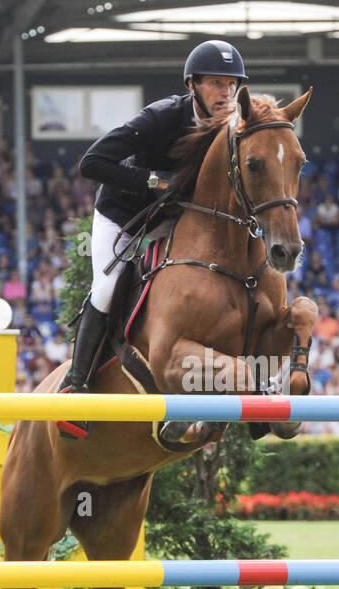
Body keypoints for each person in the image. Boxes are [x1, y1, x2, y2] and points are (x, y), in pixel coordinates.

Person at [59, 39, 247, 439]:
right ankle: (77, 387)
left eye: (232, 85)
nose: (227, 93)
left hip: (178, 220)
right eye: (216, 83)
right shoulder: (160, 118)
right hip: (126, 217)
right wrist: (154, 181)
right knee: (108, 287)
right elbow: (92, 162)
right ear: (192, 85)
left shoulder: (234, 126)